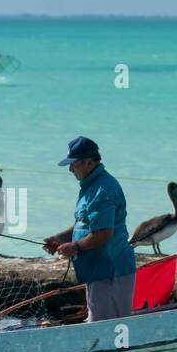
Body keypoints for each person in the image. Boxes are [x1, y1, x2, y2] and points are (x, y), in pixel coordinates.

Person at [43, 136, 137, 322]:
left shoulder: (103, 190)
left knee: (106, 326)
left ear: (88, 162)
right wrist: (60, 238)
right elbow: (84, 223)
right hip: (97, 269)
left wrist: (75, 247)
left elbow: (103, 232)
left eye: (73, 164)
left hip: (111, 271)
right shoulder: (90, 185)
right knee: (97, 321)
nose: (70, 169)